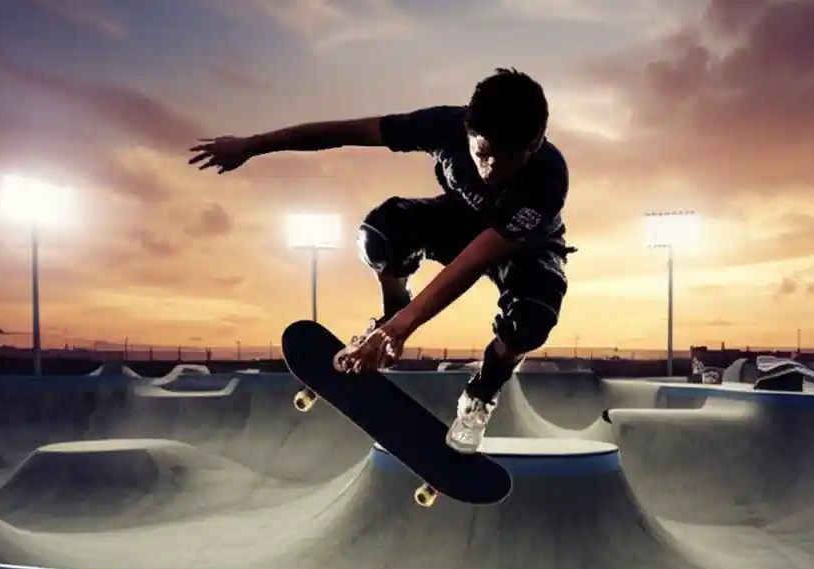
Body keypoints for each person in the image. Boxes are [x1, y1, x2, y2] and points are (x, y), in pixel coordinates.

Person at [189, 68, 573, 453]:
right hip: (460, 221)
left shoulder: (549, 178)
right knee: (381, 233)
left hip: (529, 250)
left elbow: (474, 263)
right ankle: (393, 306)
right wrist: (252, 145)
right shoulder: (441, 126)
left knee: (531, 321)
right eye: (483, 154)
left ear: (535, 144)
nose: (492, 170)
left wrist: (397, 332)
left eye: (509, 160)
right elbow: (344, 133)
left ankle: (480, 395)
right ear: (468, 131)